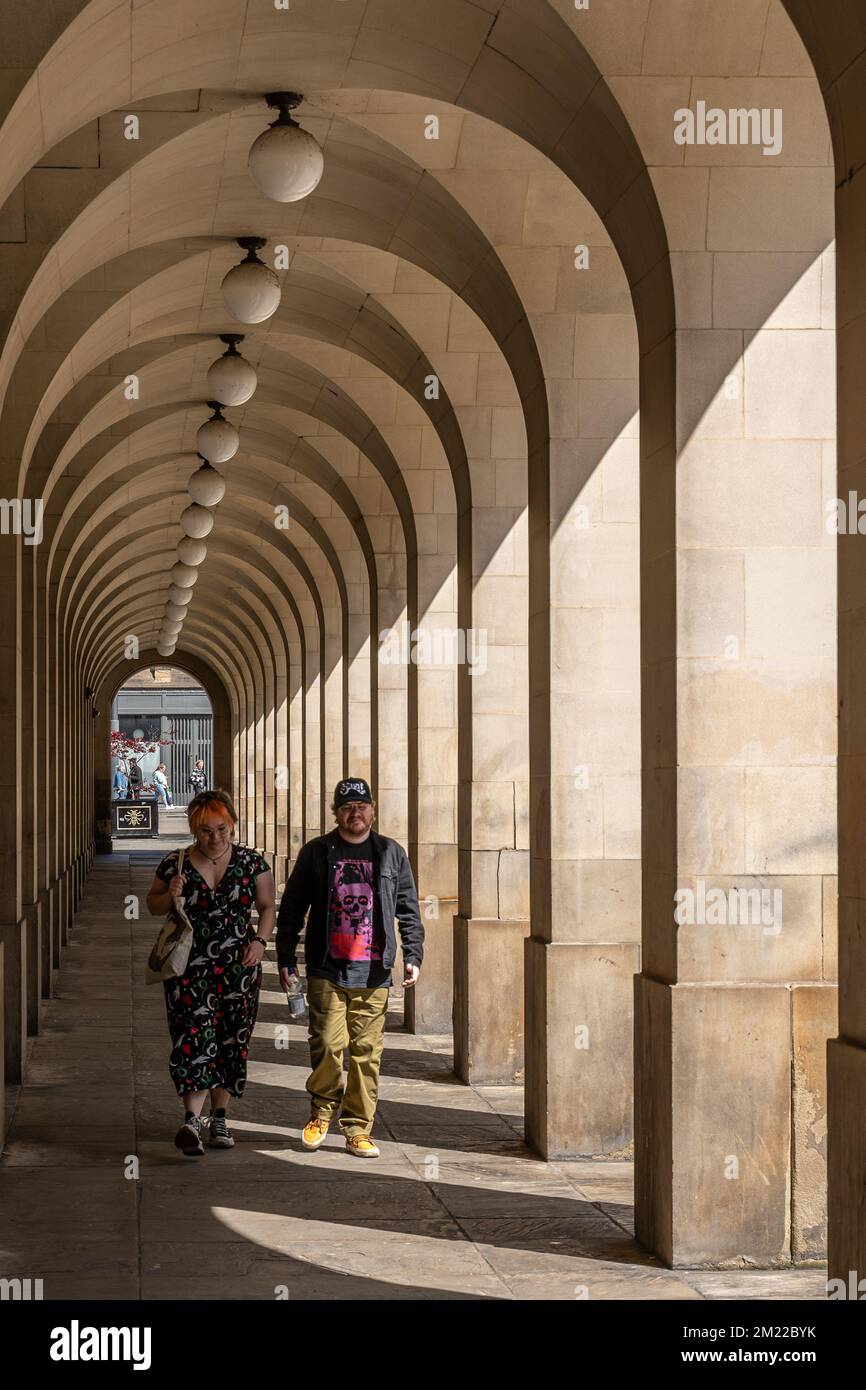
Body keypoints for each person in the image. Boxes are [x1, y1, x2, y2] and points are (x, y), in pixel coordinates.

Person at [275, 777, 424, 1158]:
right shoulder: (318, 852)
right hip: (328, 966)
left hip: (374, 970)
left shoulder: (391, 853)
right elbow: (292, 908)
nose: (354, 813)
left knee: (367, 1052)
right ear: (336, 813)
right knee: (327, 1043)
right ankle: (321, 1113)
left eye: (361, 806)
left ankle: (358, 1127)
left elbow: (407, 907)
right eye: (346, 807)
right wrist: (287, 958)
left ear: (372, 810)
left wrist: (413, 954)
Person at [145, 789, 276, 1156]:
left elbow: (267, 907)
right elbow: (152, 905)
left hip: (240, 967)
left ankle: (219, 1116)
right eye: (205, 831)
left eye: (221, 828)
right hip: (189, 968)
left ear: (232, 826)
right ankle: (191, 1120)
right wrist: (169, 895)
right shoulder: (177, 863)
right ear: (194, 830)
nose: (214, 837)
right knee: (193, 1037)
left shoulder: (252, 863)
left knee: (232, 1039)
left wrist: (260, 942)